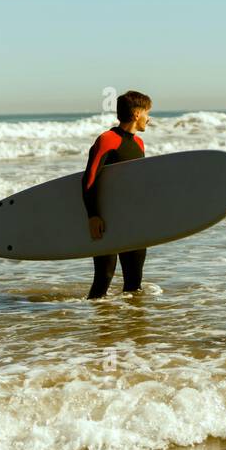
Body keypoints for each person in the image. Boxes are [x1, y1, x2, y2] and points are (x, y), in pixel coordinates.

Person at [83, 90, 151, 298]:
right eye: (148, 113)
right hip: (107, 220)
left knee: (134, 282)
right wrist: (93, 216)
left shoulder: (139, 144)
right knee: (104, 277)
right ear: (137, 114)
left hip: (133, 220)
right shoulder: (107, 140)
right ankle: (99, 326)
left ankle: (132, 328)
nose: (149, 119)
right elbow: (89, 179)